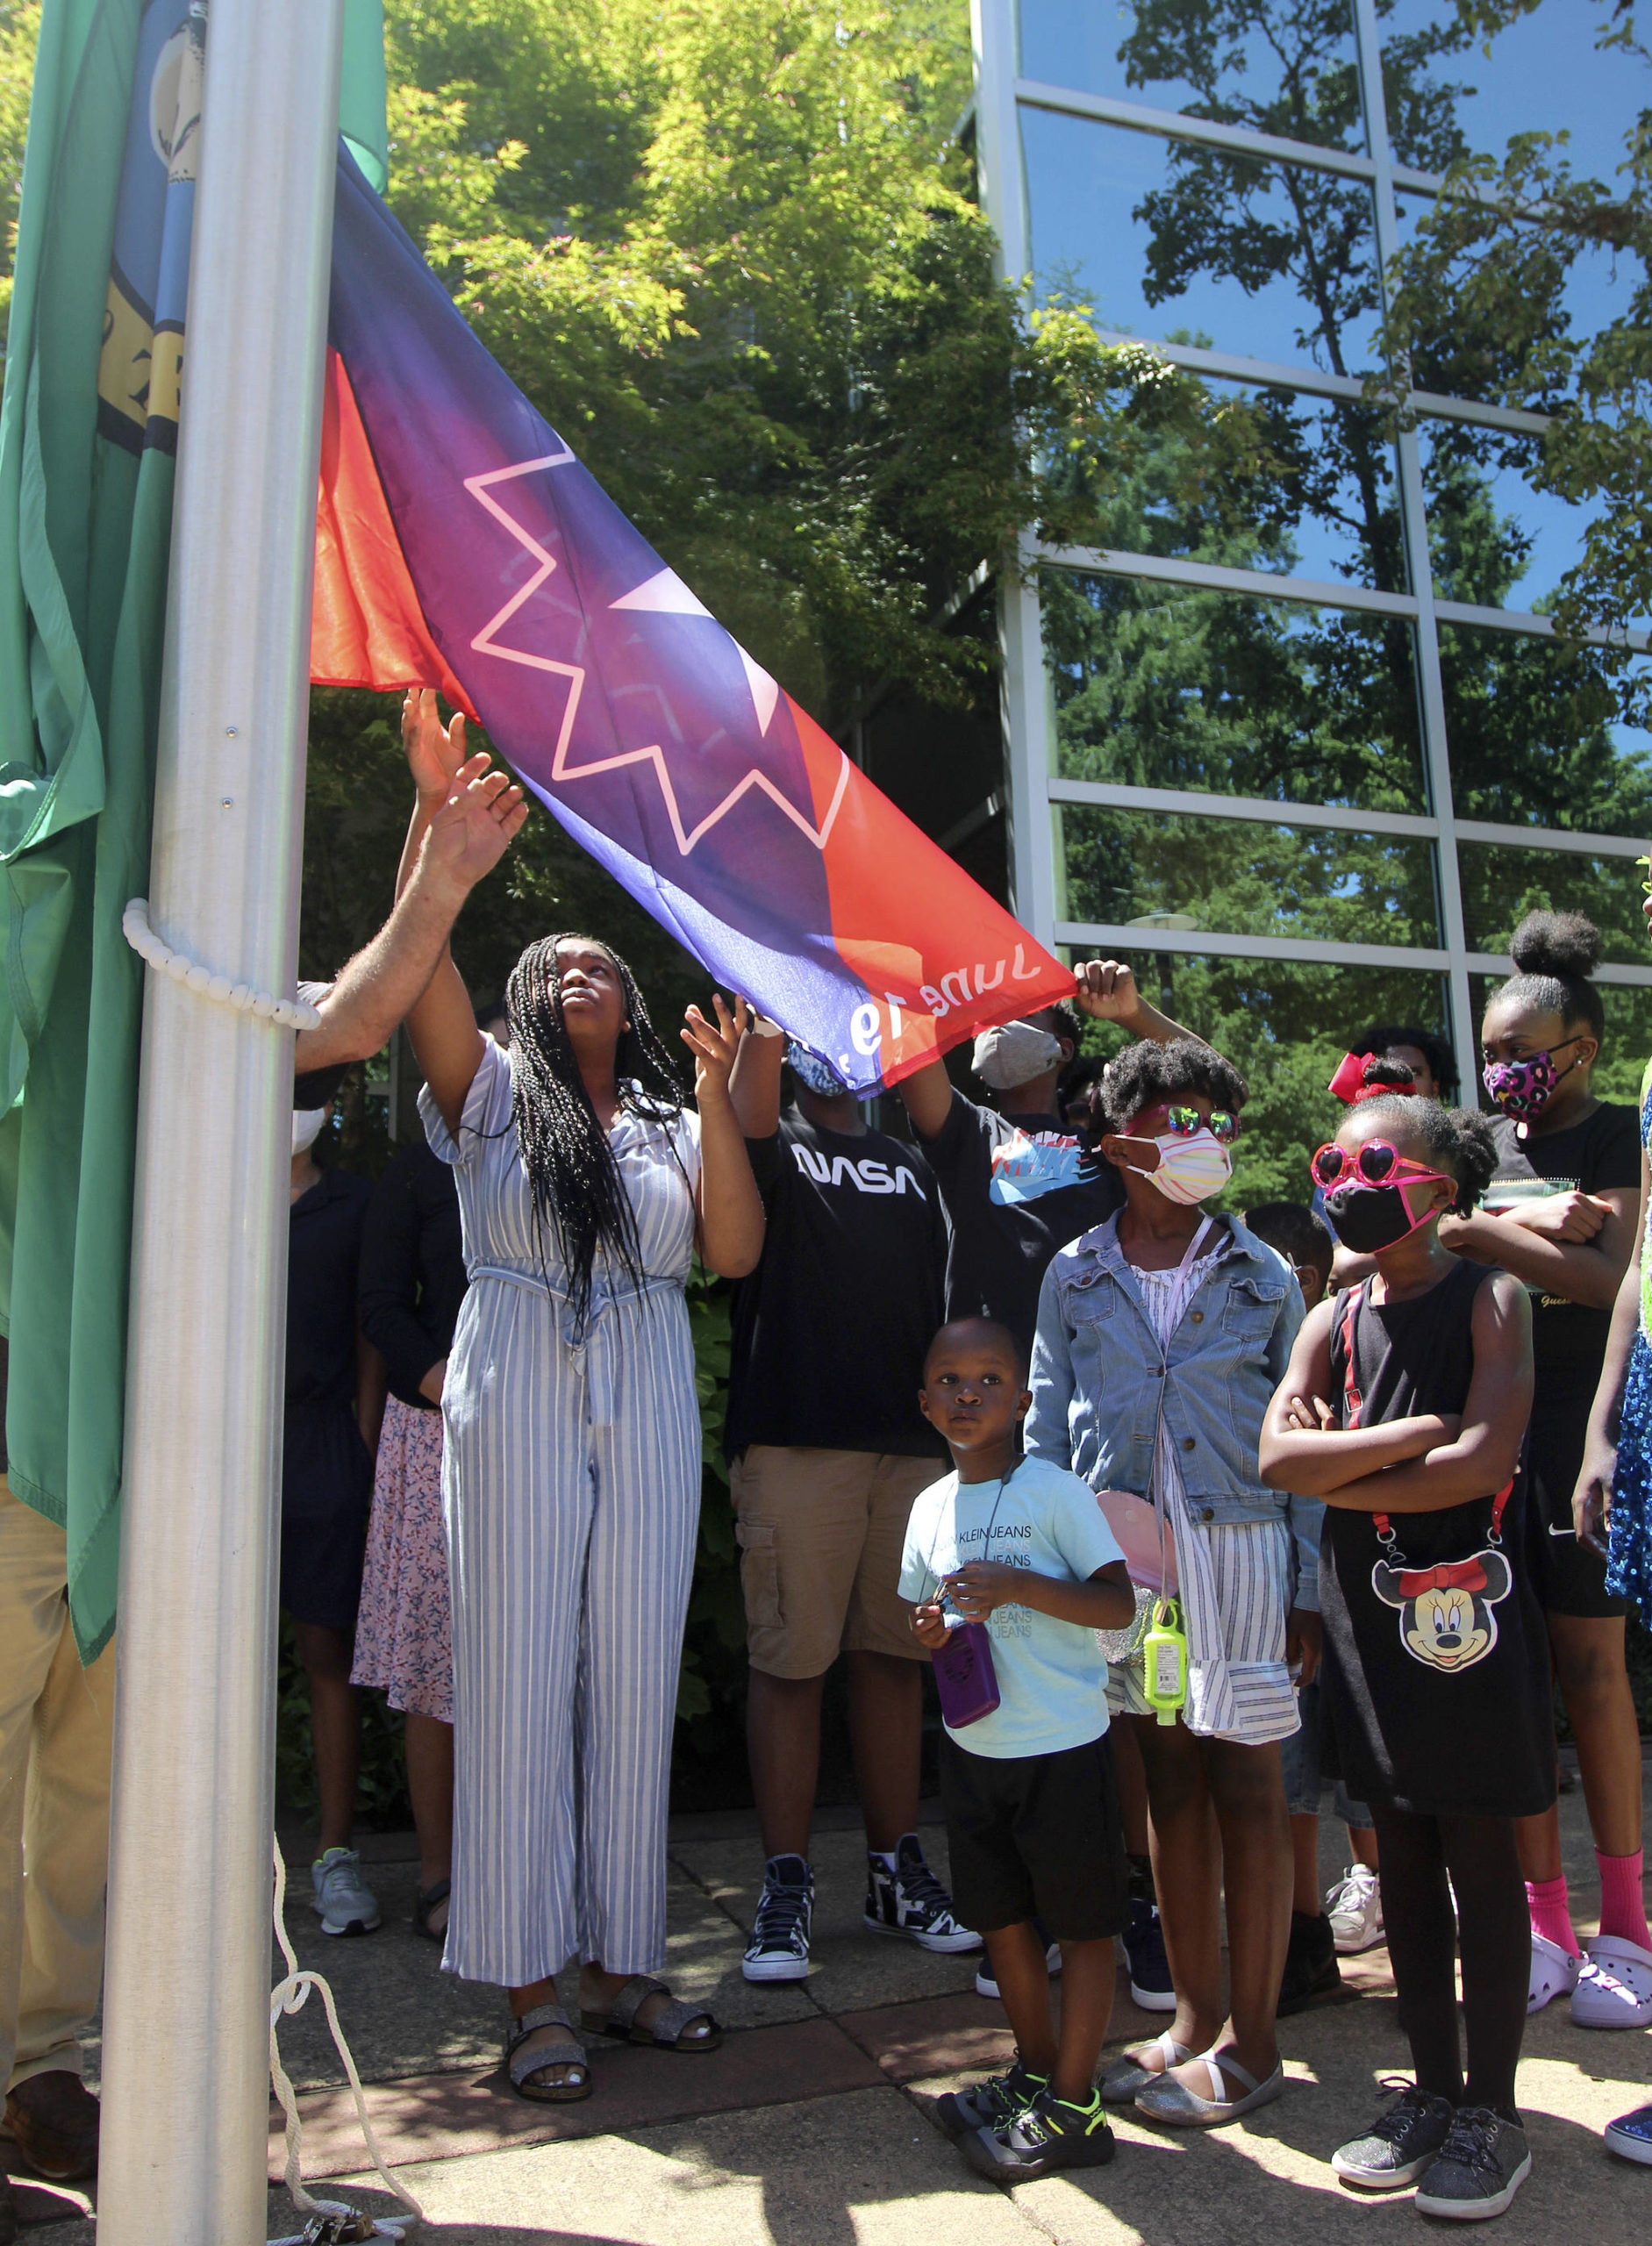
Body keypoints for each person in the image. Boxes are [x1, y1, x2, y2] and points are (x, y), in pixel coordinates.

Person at [395, 690, 764, 2102]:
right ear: (521, 998)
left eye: (597, 962)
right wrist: (437, 822)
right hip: (517, 1370)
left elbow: (728, 1252)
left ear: (628, 998)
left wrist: (729, 1101)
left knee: (629, 1679)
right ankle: (530, 1989)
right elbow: (415, 966)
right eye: (548, 965)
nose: (574, 976)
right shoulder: (486, 1094)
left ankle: (626, 1968)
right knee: (512, 1678)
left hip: (649, 1370)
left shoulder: (676, 1122)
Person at [1262, 1091, 1548, 2221]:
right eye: (1333, 1163)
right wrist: (1399, 1440)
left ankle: (1492, 2109)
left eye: (1377, 1159)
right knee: (1400, 1859)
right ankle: (1427, 2089)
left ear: (1443, 1179)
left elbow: (1482, 1462)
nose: (1349, 1180)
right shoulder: (1331, 1317)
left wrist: (1348, 1473)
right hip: (1364, 1606)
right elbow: (1278, 1454)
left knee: (1479, 1855)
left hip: (1468, 1606)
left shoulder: (1493, 1296)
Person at [893, 962, 1192, 2012]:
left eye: (1024, 1018)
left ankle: (1127, 1904)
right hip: (993, 1441)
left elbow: (1198, 1094)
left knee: (1118, 1688)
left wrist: (1131, 1012)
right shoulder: (969, 1136)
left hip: (1105, 1439)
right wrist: (919, 976)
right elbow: (917, 1062)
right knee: (1004, 1664)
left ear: (1066, 1045)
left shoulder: (1113, 1145)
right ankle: (1023, 1911)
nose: (999, 1031)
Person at [1030, 1039, 1312, 2129]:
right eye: (1177, 1119)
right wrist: (1057, 1557)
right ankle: (1191, 2023)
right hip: (1125, 1561)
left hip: (1241, 1548)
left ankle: (1256, 2041)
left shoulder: (1262, 1272)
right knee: (1167, 1783)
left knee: (1249, 1786)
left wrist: (1302, 1586)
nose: (1201, 1141)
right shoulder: (1074, 1271)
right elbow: (1050, 1418)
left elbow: (1299, 1431)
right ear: (1121, 1141)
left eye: (1212, 1121)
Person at [723, 1032, 973, 1981]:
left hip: (909, 1444)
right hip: (795, 1434)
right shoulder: (770, 1139)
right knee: (789, 1661)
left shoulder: (913, 1160)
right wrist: (759, 1029)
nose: (833, 1055)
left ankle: (892, 1869)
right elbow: (742, 1125)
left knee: (894, 1657)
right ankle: (784, 1884)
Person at [1438, 912, 1643, 2023]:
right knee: (1506, 1682)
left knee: (1591, 1674)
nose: (1504, 1071)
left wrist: (1491, 1233)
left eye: (1524, 1050)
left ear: (1582, 1047)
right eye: (1490, 1050)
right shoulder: (1477, 1140)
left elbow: (1610, 1281)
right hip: (1487, 1429)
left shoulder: (1617, 1138)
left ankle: (1627, 1930)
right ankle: (1542, 1925)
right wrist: (1532, 1228)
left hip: (1578, 1433)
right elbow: (1425, 1231)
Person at [902, 1319, 1134, 2184]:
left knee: (1079, 1926)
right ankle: (1036, 2072)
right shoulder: (927, 1508)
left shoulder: (1053, 1491)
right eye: (950, 1381)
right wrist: (927, 1627)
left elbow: (1115, 1606)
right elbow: (921, 1612)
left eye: (989, 1379)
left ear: (1023, 1400)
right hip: (973, 1745)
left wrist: (1022, 1588)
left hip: (1062, 1744)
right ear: (923, 1403)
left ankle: (1076, 2105)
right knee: (997, 1919)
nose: (968, 1395)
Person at [351, 999, 507, 1944]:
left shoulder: (553, 1166)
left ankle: (528, 1862)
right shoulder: (413, 1174)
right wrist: (440, 1379)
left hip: (541, 1433)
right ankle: (441, 1873)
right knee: (433, 1672)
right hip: (432, 1436)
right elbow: (379, 1305)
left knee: (540, 1661)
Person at [1245, 1202, 1374, 2009]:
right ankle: (1301, 1940)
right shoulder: (1245, 1366)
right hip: (1279, 1588)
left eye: (1295, 1276)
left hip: (1354, 1585)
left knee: (1371, 1772)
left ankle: (1404, 1905)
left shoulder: (1352, 1338)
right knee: (1286, 1772)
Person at [283, 1093, 383, 1935]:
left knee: (328, 1652)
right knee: (210, 1661)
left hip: (323, 1447)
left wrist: (361, 1438)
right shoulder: (203, 1187)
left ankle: (335, 1855)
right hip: (218, 1452)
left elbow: (369, 1329)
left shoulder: (350, 1202)